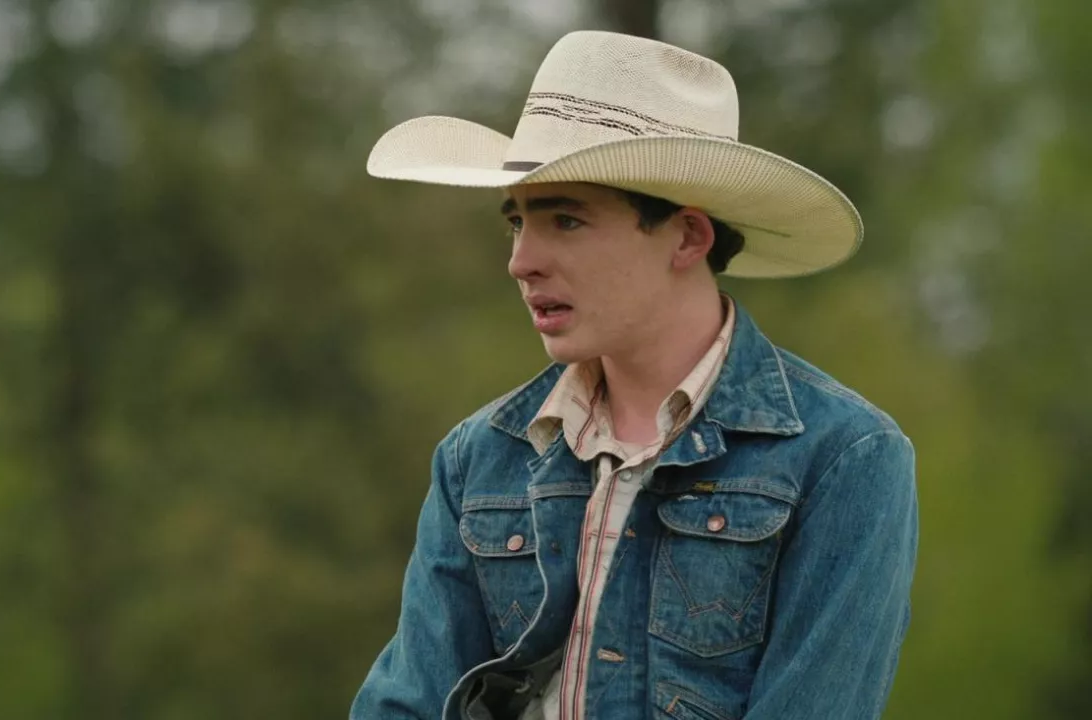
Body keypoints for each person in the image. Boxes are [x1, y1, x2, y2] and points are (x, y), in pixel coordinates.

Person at [351, 30, 918, 720]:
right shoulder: (480, 458)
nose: (522, 261)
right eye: (517, 223)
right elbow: (407, 703)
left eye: (565, 220)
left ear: (687, 236)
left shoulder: (842, 457)